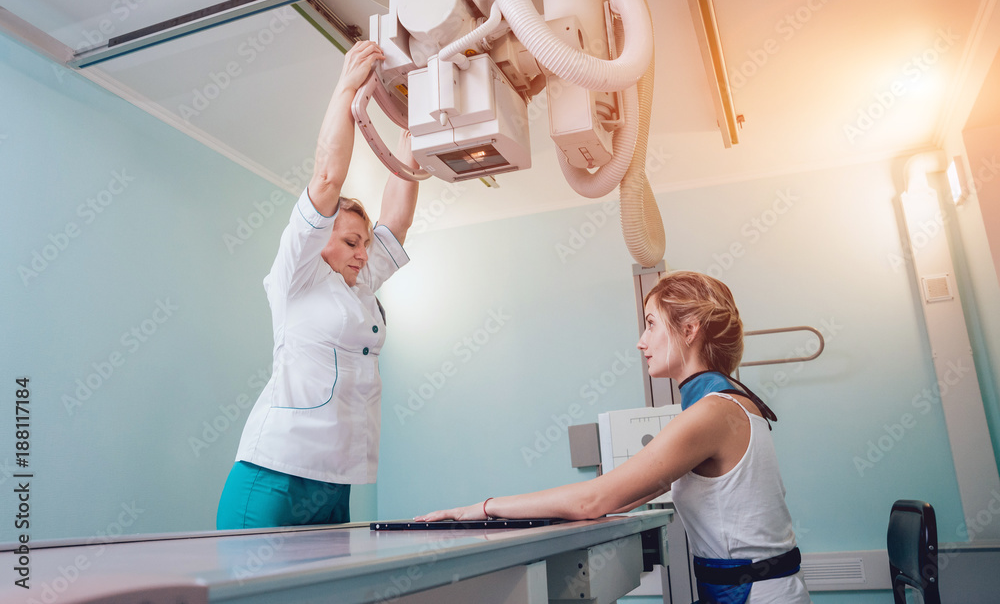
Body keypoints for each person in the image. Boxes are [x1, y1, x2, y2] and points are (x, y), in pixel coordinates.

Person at [417, 271, 811, 604]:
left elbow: (595, 499)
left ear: (689, 330)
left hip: (757, 593)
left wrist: (484, 507)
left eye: (651, 323)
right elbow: (630, 493)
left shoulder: (713, 412)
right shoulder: (726, 406)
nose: (642, 340)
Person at [217, 40, 420, 529]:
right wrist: (348, 87)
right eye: (351, 240)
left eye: (365, 243)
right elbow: (327, 177)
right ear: (320, 239)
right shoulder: (297, 276)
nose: (362, 252)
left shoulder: (359, 284)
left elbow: (398, 216)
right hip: (274, 473)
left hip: (335, 480)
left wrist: (419, 124)